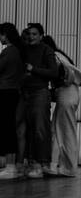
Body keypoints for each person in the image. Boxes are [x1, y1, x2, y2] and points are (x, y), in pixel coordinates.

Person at [17, 23, 61, 179]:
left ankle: (42, 163)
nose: (31, 37)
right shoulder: (24, 50)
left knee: (40, 128)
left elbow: (54, 73)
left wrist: (33, 70)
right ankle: (28, 163)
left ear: (41, 36)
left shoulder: (46, 50)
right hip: (25, 93)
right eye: (29, 34)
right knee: (24, 128)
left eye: (35, 34)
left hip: (39, 93)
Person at [43, 34, 81, 178]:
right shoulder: (61, 55)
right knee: (60, 130)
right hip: (71, 95)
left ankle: (65, 167)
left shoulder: (54, 57)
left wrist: (52, 89)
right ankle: (60, 166)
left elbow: (64, 78)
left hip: (65, 95)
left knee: (62, 131)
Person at [0, 24, 24, 179]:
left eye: (1, 35)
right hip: (13, 91)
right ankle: (12, 164)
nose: (0, 38)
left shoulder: (9, 51)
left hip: (5, 92)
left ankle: (9, 166)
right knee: (9, 125)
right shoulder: (17, 51)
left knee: (6, 126)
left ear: (6, 35)